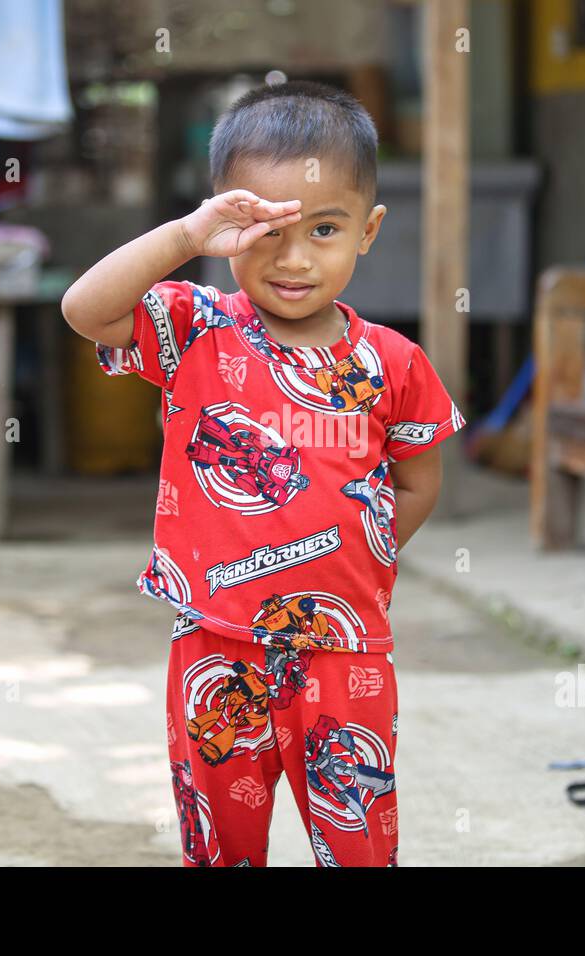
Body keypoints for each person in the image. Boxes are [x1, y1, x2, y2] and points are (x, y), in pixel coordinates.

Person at [61, 80, 465, 867]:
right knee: (220, 848)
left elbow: (417, 484)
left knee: (359, 847)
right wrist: (186, 237)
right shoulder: (196, 328)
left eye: (323, 229)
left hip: (344, 657)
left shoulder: (394, 364)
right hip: (215, 646)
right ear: (226, 223)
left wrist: (353, 553)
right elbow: (86, 310)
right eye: (263, 229)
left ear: (369, 231)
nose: (293, 257)